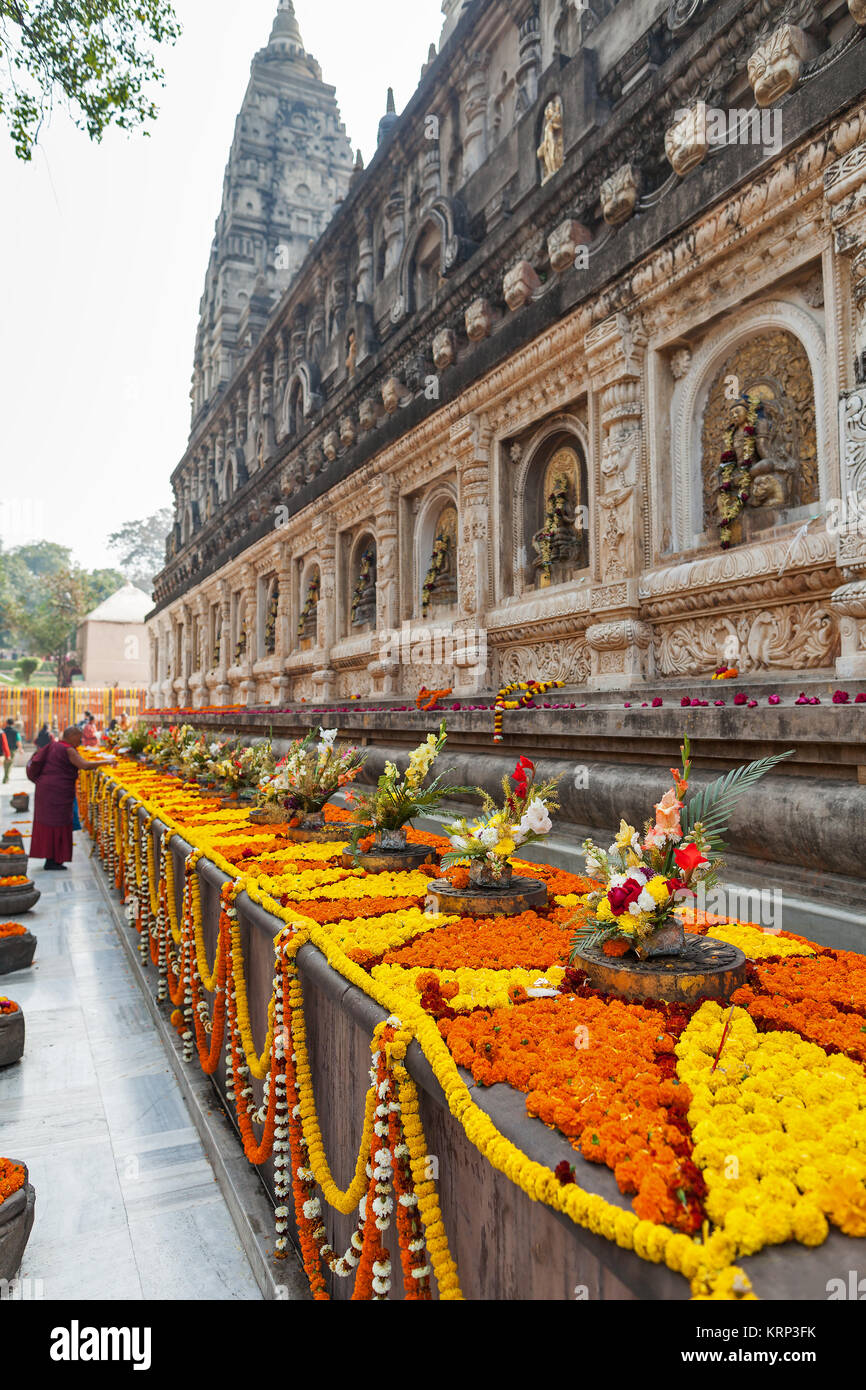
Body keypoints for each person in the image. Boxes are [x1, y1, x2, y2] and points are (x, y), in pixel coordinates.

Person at [30, 726, 116, 870]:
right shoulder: (67, 749)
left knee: (49, 822)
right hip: (56, 792)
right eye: (79, 737)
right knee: (58, 823)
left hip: (46, 790)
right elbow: (85, 765)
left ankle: (51, 859)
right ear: (71, 735)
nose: (81, 740)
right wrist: (107, 762)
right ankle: (53, 861)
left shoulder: (55, 745)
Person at [2, 718, 19, 782]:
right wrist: (20, 749)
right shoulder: (15, 732)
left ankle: (6, 776)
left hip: (3, 750)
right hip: (12, 750)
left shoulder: (3, 731)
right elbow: (18, 741)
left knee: (5, 763)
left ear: (7, 723)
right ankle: (6, 777)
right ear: (13, 723)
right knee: (9, 763)